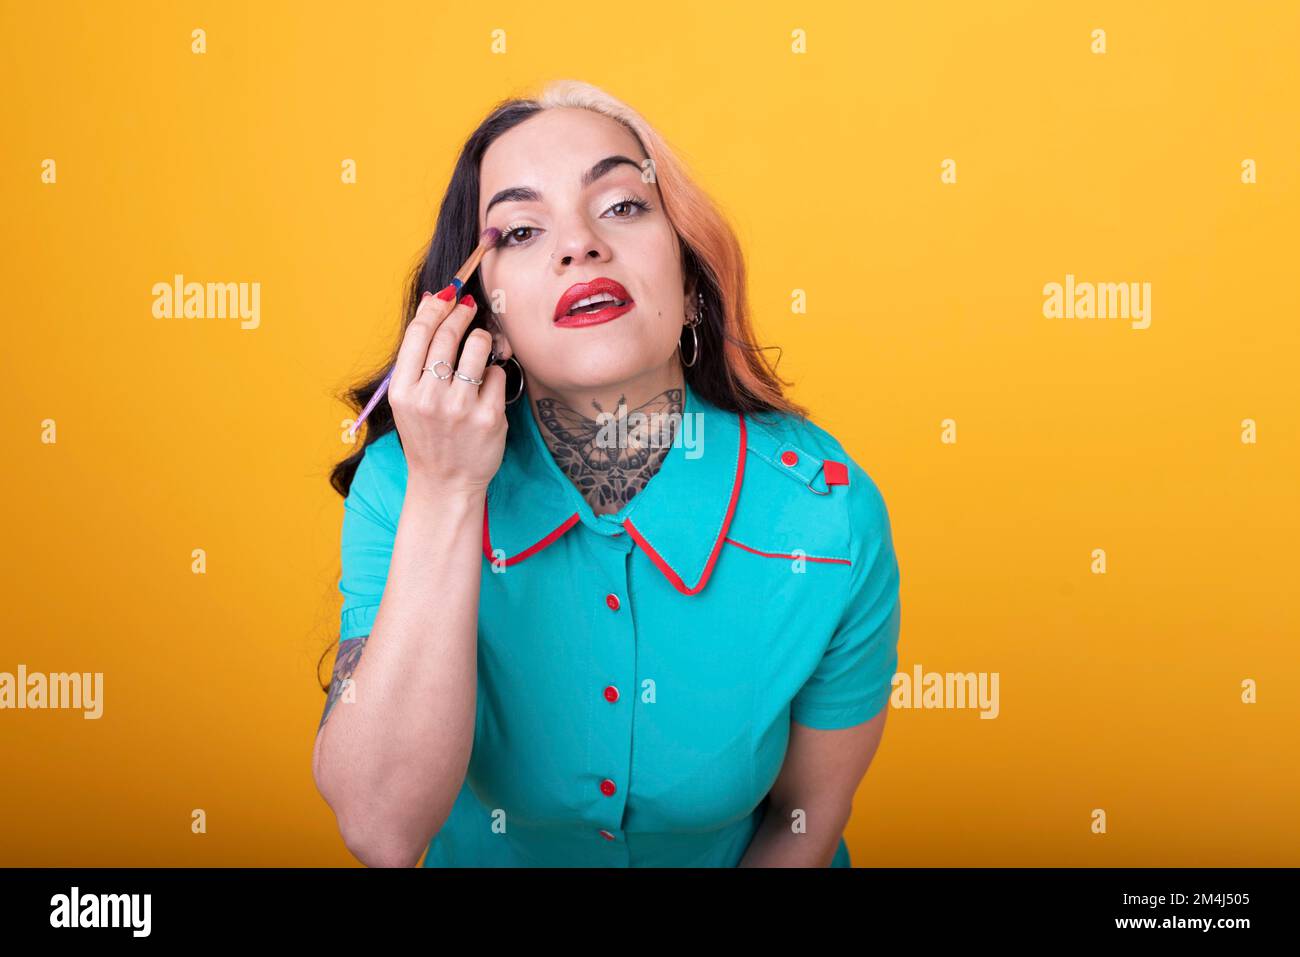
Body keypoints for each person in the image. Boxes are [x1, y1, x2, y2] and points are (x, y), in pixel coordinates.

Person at [312, 79, 902, 867]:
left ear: (691, 280)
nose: (579, 243)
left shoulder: (826, 515)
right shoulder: (405, 485)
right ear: (489, 318)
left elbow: (807, 819)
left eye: (622, 205)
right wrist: (447, 491)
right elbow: (381, 831)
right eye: (520, 230)